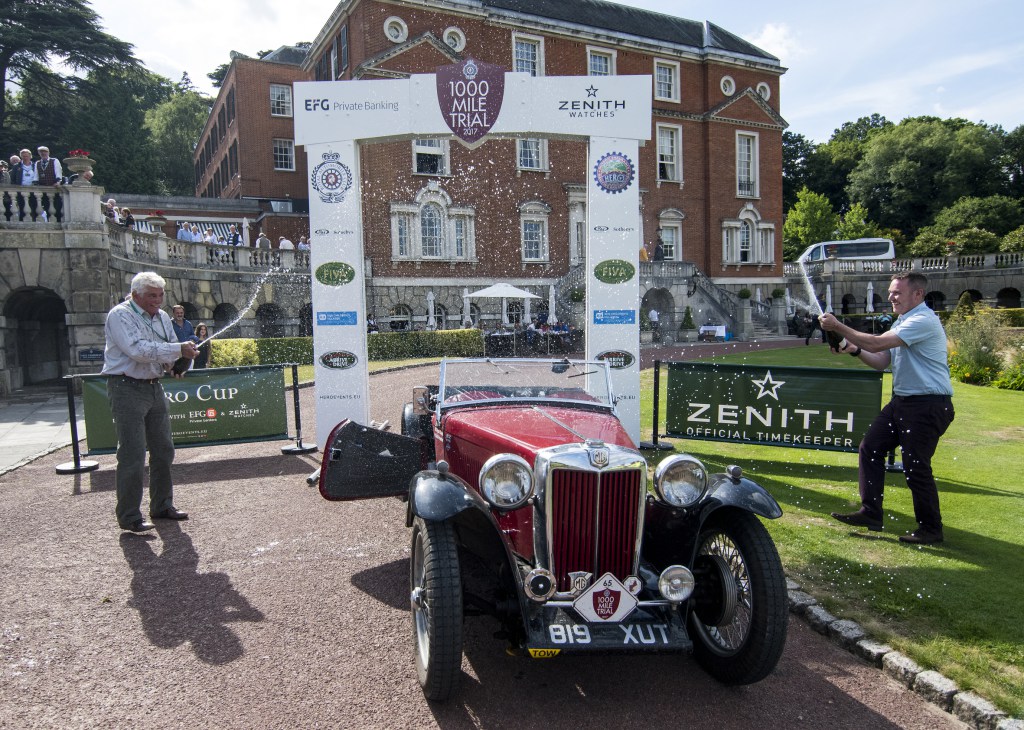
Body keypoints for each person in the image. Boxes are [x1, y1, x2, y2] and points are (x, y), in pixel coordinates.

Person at [820, 272, 955, 545]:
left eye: (897, 293)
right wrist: (851, 349)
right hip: (903, 402)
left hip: (928, 404)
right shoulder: (905, 321)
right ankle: (871, 513)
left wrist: (838, 325)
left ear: (917, 294)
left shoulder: (922, 320)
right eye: (891, 292)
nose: (891, 297)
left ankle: (931, 529)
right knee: (870, 447)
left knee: (916, 466)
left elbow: (877, 342)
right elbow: (881, 360)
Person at [100, 271, 197, 532]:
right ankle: (130, 516)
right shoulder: (120, 315)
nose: (157, 300)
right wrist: (178, 350)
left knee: (164, 449)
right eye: (151, 296)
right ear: (135, 295)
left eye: (160, 295)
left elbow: (169, 349)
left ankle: (162, 505)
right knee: (132, 453)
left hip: (154, 387)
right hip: (125, 386)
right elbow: (138, 350)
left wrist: (180, 362)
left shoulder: (164, 317)